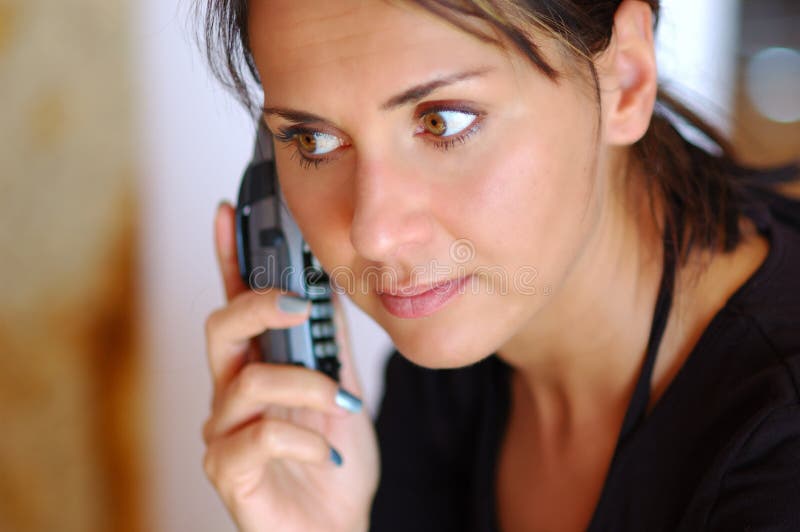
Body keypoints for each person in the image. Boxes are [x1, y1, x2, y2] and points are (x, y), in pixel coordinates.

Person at [199, 1, 800, 530]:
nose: (374, 235)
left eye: (443, 121)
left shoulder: (779, 457)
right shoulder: (453, 357)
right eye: (312, 141)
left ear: (627, 78)